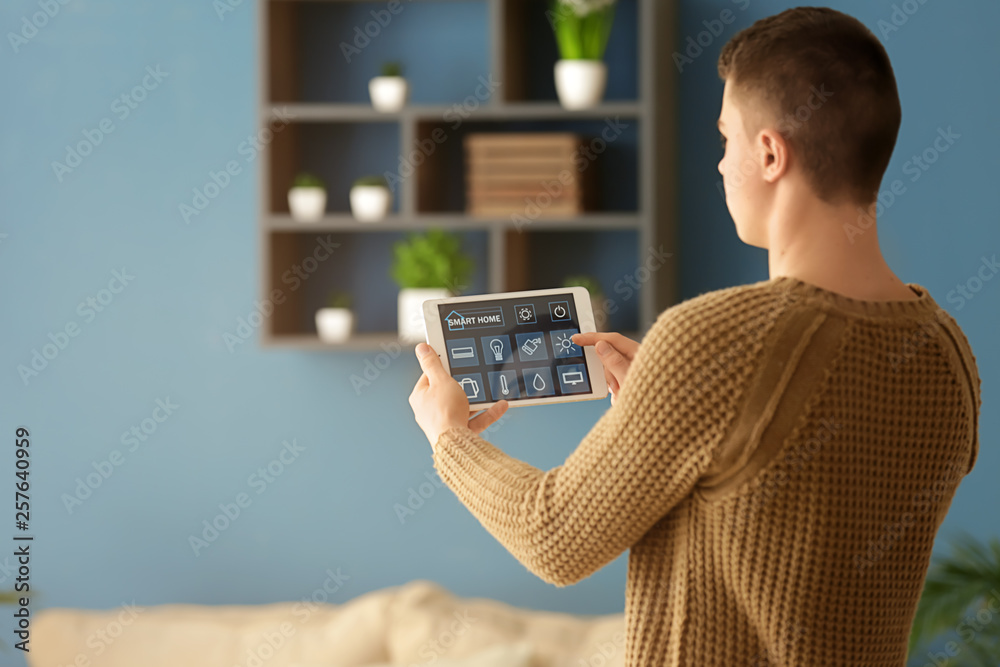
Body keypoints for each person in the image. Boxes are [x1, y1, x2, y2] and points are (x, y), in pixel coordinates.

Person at [408, 7, 982, 665]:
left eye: (725, 139)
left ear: (769, 152)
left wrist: (448, 437)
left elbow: (554, 536)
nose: (719, 164)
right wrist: (667, 418)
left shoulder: (712, 339)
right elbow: (801, 522)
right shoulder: (947, 354)